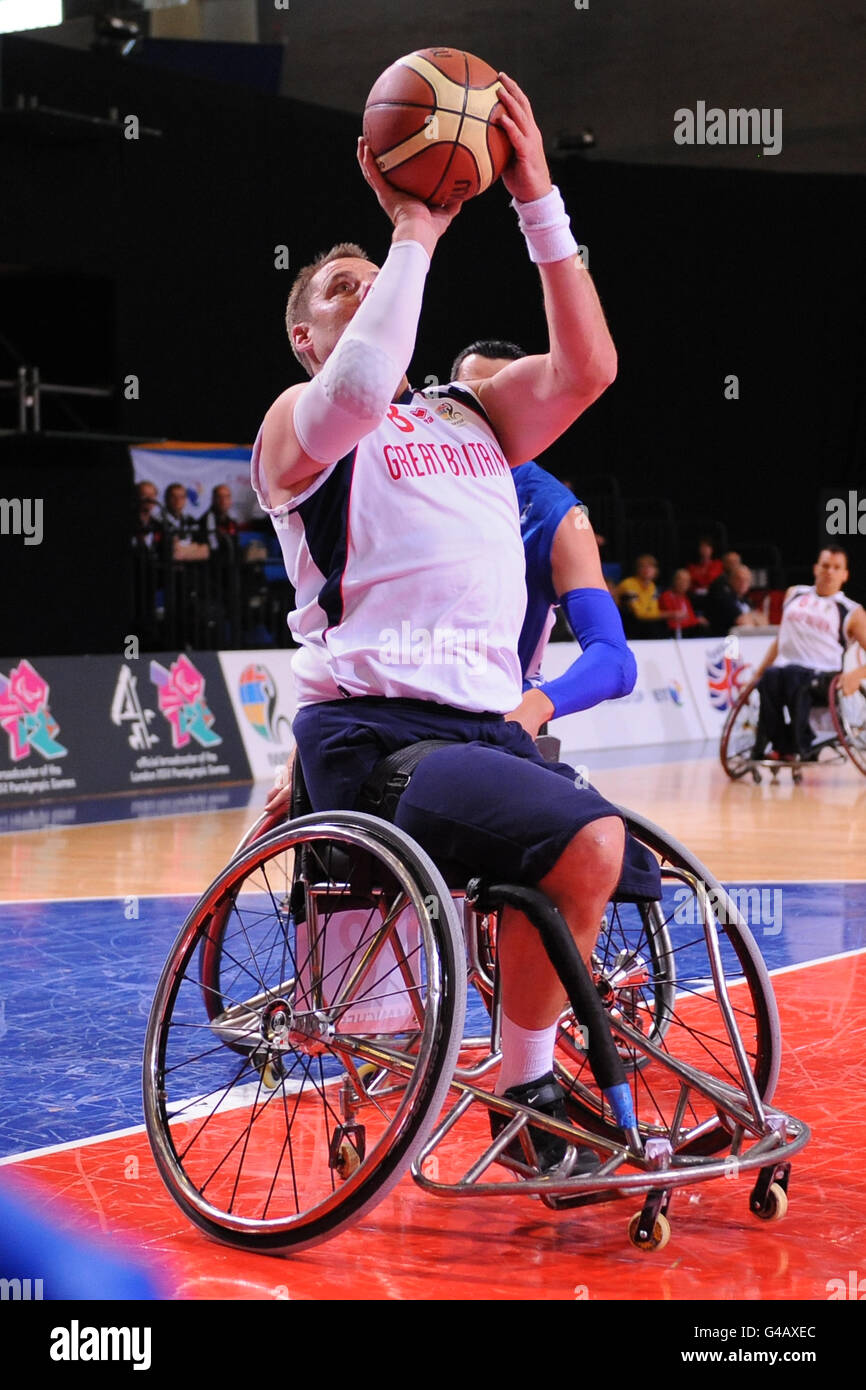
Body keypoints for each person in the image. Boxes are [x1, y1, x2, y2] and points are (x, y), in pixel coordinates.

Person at [252, 73, 659, 1171]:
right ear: (302, 333)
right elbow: (361, 380)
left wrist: (535, 194)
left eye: (370, 275)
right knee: (580, 839)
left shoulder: (469, 414)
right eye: (342, 284)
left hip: (484, 731)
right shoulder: (298, 426)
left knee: (621, 865)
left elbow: (590, 368)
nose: (365, 283)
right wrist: (415, 229)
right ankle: (524, 1098)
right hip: (376, 740)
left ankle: (532, 1072)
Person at [450, 337, 636, 737]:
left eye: (499, 401)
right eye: (471, 400)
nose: (483, 416)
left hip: (493, 724)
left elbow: (615, 660)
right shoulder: (403, 480)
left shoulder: (561, 517)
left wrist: (536, 705)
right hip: (386, 715)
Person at [750, 546, 866, 760]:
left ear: (845, 575)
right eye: (825, 566)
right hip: (785, 670)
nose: (829, 571)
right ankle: (779, 745)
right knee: (769, 678)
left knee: (796, 678)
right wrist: (758, 672)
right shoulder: (795, 594)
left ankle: (802, 744)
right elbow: (780, 639)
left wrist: (857, 675)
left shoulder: (851, 610)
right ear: (816, 568)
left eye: (836, 567)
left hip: (822, 676)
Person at [616, 555, 667, 639]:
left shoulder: (652, 586)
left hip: (645, 626)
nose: (646, 569)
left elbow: (653, 611)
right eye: (642, 566)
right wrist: (669, 614)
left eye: (650, 566)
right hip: (627, 625)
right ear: (637, 569)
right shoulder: (628, 584)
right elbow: (639, 614)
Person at [705, 561, 763, 636]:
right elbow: (741, 622)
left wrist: (752, 619)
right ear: (731, 580)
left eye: (746, 580)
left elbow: (764, 620)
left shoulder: (746, 600)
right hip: (724, 641)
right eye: (739, 579)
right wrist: (754, 619)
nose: (743, 583)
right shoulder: (724, 597)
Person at [659, 568, 709, 636]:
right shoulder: (667, 596)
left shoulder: (684, 598)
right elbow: (674, 622)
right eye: (681, 580)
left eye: (687, 581)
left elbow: (690, 617)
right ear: (674, 581)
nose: (683, 583)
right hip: (673, 633)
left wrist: (696, 620)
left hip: (687, 631)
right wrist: (696, 620)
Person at [198, 483, 240, 555]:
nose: (223, 501)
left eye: (227, 497)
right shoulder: (206, 520)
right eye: (220, 497)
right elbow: (213, 550)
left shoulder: (232, 522)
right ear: (213, 499)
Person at [687, 537, 723, 609]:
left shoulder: (717, 564)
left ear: (712, 549)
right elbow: (689, 584)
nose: (704, 549)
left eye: (707, 546)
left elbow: (711, 580)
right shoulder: (692, 567)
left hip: (712, 599)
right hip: (694, 598)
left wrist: (697, 579)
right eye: (702, 546)